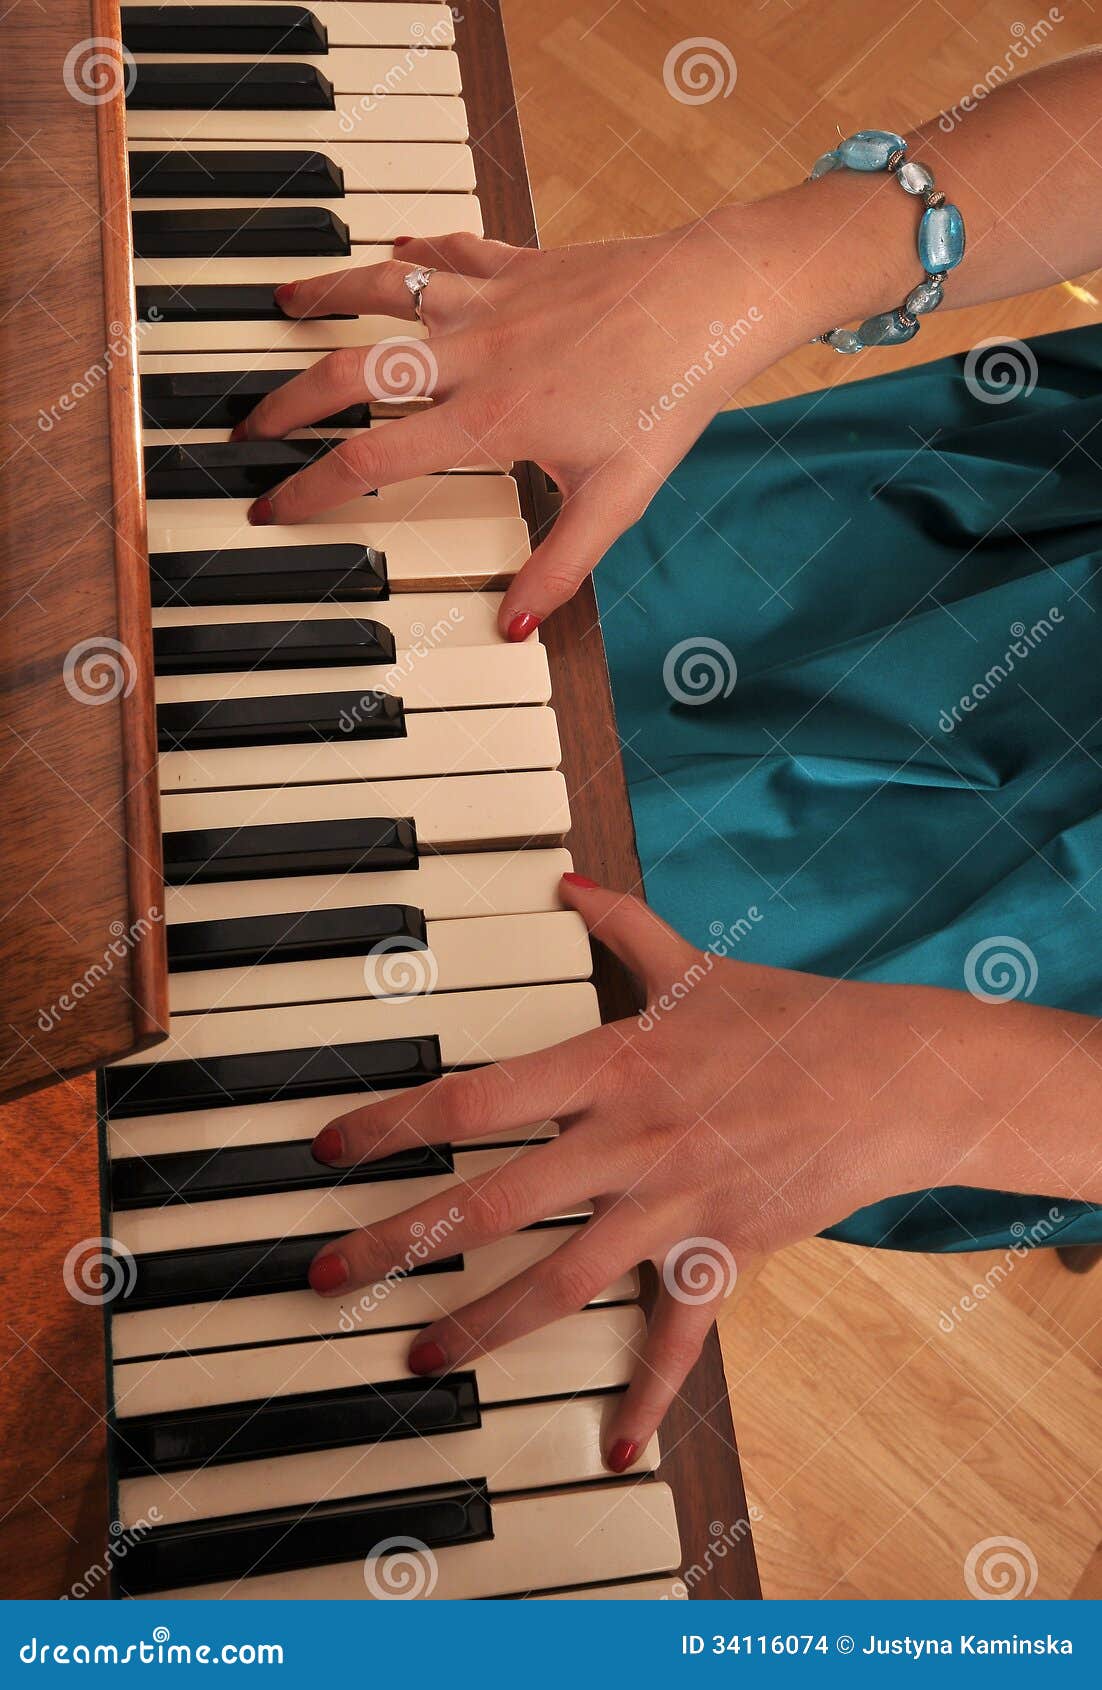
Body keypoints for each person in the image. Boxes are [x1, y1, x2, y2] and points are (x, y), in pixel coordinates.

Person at [232, 46, 1102, 1473]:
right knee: (421, 652)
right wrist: (766, 263)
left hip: (1040, 984)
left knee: (443, 1029)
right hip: (1005, 531)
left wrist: (952, 1084)